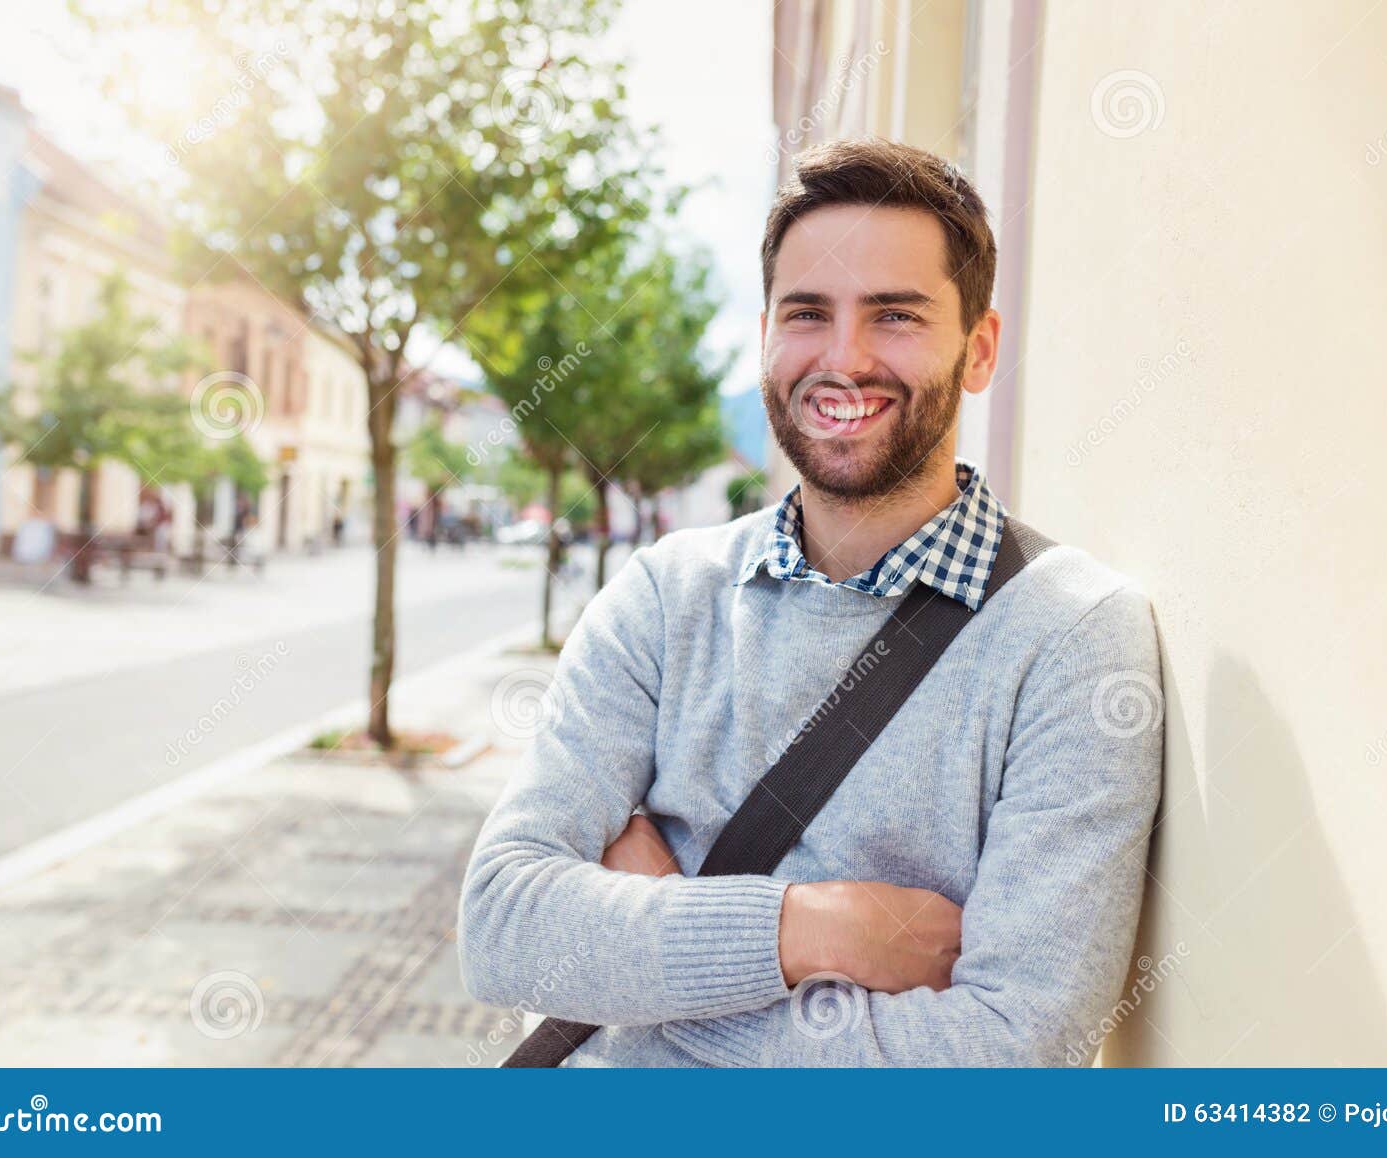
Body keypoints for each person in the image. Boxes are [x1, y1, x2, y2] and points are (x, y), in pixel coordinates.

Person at [458, 139, 1164, 1067]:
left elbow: (1007, 1055)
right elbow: (504, 926)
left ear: (979, 348)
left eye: (896, 316)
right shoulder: (664, 598)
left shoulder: (1073, 637)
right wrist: (820, 929)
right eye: (807, 313)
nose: (844, 359)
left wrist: (645, 968)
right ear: (765, 337)